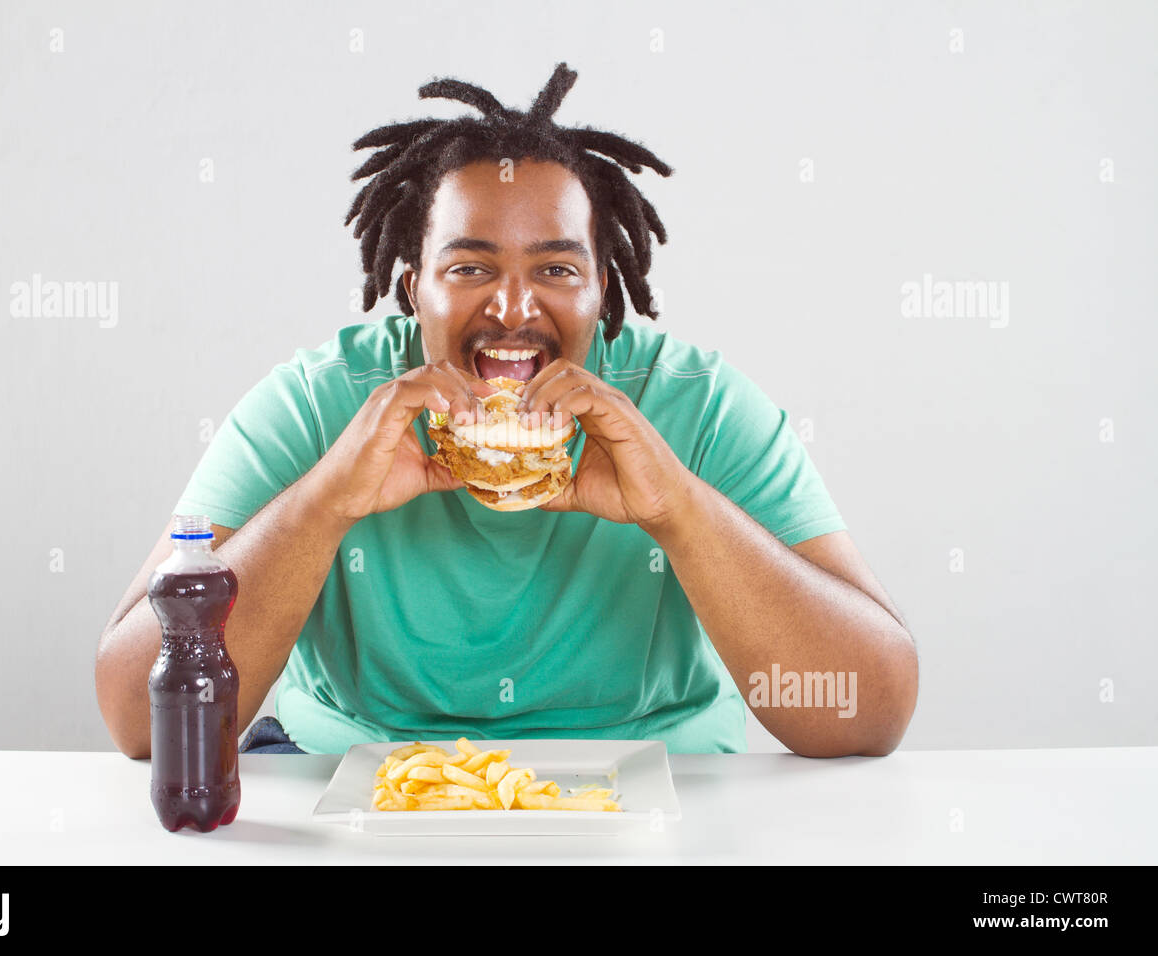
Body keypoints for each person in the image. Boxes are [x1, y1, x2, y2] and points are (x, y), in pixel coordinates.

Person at [96, 63, 917, 760]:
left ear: (606, 289)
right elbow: (140, 721)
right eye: (469, 269)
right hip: (358, 788)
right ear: (414, 288)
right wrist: (324, 503)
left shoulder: (693, 406)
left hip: (658, 788)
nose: (514, 307)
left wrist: (678, 510)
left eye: (558, 270)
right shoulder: (319, 406)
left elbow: (872, 708)